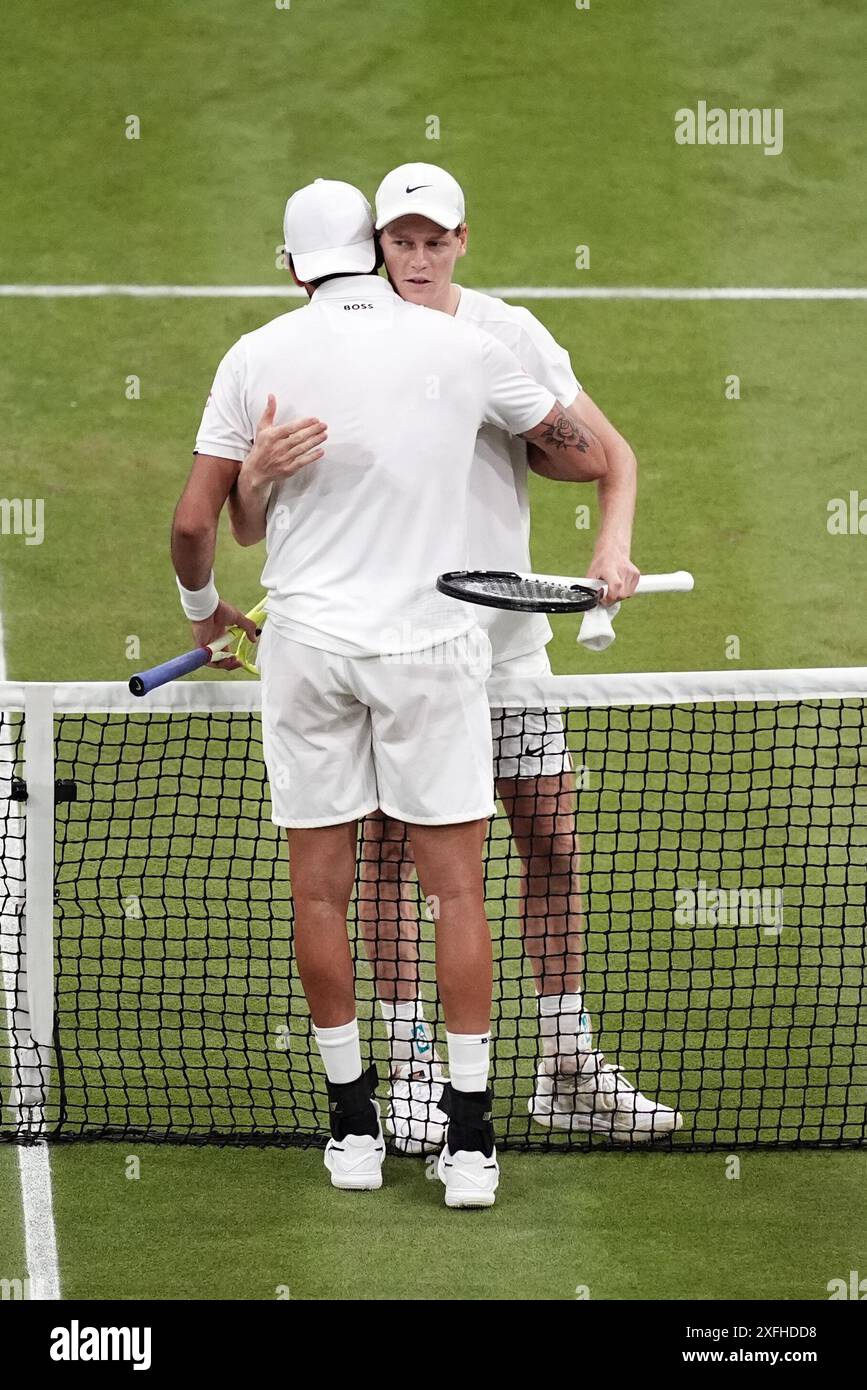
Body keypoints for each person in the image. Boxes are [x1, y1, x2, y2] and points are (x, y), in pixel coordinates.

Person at [170, 178, 607, 1207]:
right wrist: (525, 433)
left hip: (308, 650)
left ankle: (356, 1125)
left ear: (289, 266)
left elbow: (201, 528)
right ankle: (468, 1142)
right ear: (374, 251)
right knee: (458, 888)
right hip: (430, 649)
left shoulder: (255, 356)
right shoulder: (461, 348)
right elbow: (580, 451)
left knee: (322, 885)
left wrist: (204, 615)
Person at [358, 162, 683, 1149]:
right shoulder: (349, 343)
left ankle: (567, 1063)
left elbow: (606, 455)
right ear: (377, 247)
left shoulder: (506, 335)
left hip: (506, 651)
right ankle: (412, 1065)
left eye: (433, 240)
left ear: (463, 240)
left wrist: (610, 546)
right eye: (399, 240)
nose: (416, 257)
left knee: (550, 843)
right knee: (389, 853)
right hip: (394, 650)